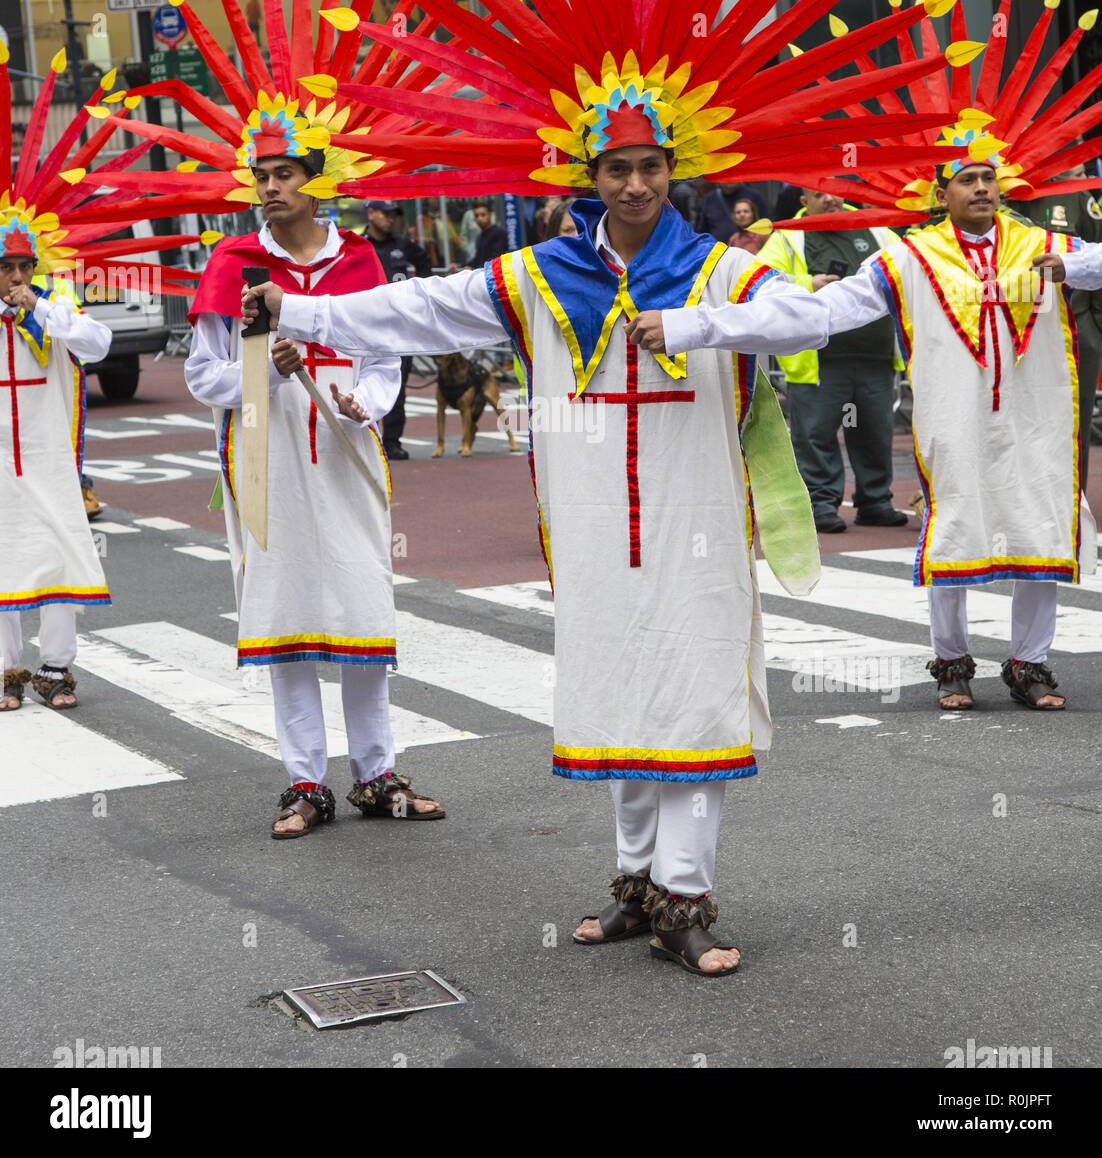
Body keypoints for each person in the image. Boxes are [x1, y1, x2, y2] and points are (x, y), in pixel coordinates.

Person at [245, 125, 835, 972]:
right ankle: (638, 886)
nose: (637, 186)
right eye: (618, 170)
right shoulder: (542, 274)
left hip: (696, 534)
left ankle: (685, 896)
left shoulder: (723, 269)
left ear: (675, 172)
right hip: (593, 533)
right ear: (588, 178)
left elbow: (804, 321)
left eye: (652, 168)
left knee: (698, 703)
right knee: (622, 697)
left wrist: (697, 324)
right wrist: (300, 308)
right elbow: (423, 307)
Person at [651, 152, 1089, 715]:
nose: (981, 188)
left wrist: (1073, 268)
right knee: (953, 528)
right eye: (966, 180)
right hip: (954, 423)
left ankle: (1029, 662)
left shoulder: (1043, 247)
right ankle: (951, 663)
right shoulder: (909, 258)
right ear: (940, 193)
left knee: (1038, 523)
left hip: (1035, 423)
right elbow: (822, 312)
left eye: (988, 178)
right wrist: (696, 325)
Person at [187, 152, 444, 836]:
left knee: (362, 606)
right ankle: (304, 784)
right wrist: (264, 372)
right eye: (261, 175)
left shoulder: (360, 262)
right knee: (285, 613)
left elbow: (385, 361)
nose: (270, 188)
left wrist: (364, 402)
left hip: (346, 454)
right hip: (266, 461)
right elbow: (203, 376)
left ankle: (375, 774)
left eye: (285, 174)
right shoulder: (234, 264)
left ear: (317, 182)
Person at [1, 245, 112, 712]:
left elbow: (99, 343)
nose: (19, 277)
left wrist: (40, 308)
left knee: (61, 552)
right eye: (7, 268)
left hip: (51, 459)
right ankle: (6, 670)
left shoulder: (54, 307)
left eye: (27, 267)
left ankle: (54, 668)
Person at [757, 189, 905, 532]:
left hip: (875, 355)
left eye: (837, 191)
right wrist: (808, 283)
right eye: (820, 193)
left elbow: (906, 267)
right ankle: (821, 504)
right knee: (815, 436)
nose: (831, 199)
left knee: (874, 433)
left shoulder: (876, 228)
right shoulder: (788, 236)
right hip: (818, 362)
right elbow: (762, 278)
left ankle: (875, 502)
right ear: (804, 199)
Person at [1011, 164, 1102, 483]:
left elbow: (1098, 250)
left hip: (1072, 331)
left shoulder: (1076, 197)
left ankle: (1070, 502)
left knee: (1070, 422)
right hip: (1006, 334)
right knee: (1008, 424)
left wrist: (1093, 329)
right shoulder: (994, 199)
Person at [362, 198, 432, 460]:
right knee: (365, 380)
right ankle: (369, 438)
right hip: (367, 324)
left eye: (394, 214)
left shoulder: (402, 244)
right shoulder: (359, 244)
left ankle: (392, 442)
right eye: (385, 213)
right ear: (371, 213)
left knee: (397, 384)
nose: (390, 218)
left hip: (401, 327)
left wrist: (419, 288)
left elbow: (423, 261)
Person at [464, 200, 508, 269]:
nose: (480, 218)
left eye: (483, 215)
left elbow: (495, 258)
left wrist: (474, 268)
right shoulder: (479, 237)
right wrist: (460, 266)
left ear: (490, 215)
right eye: (476, 216)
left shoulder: (499, 232)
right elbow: (477, 259)